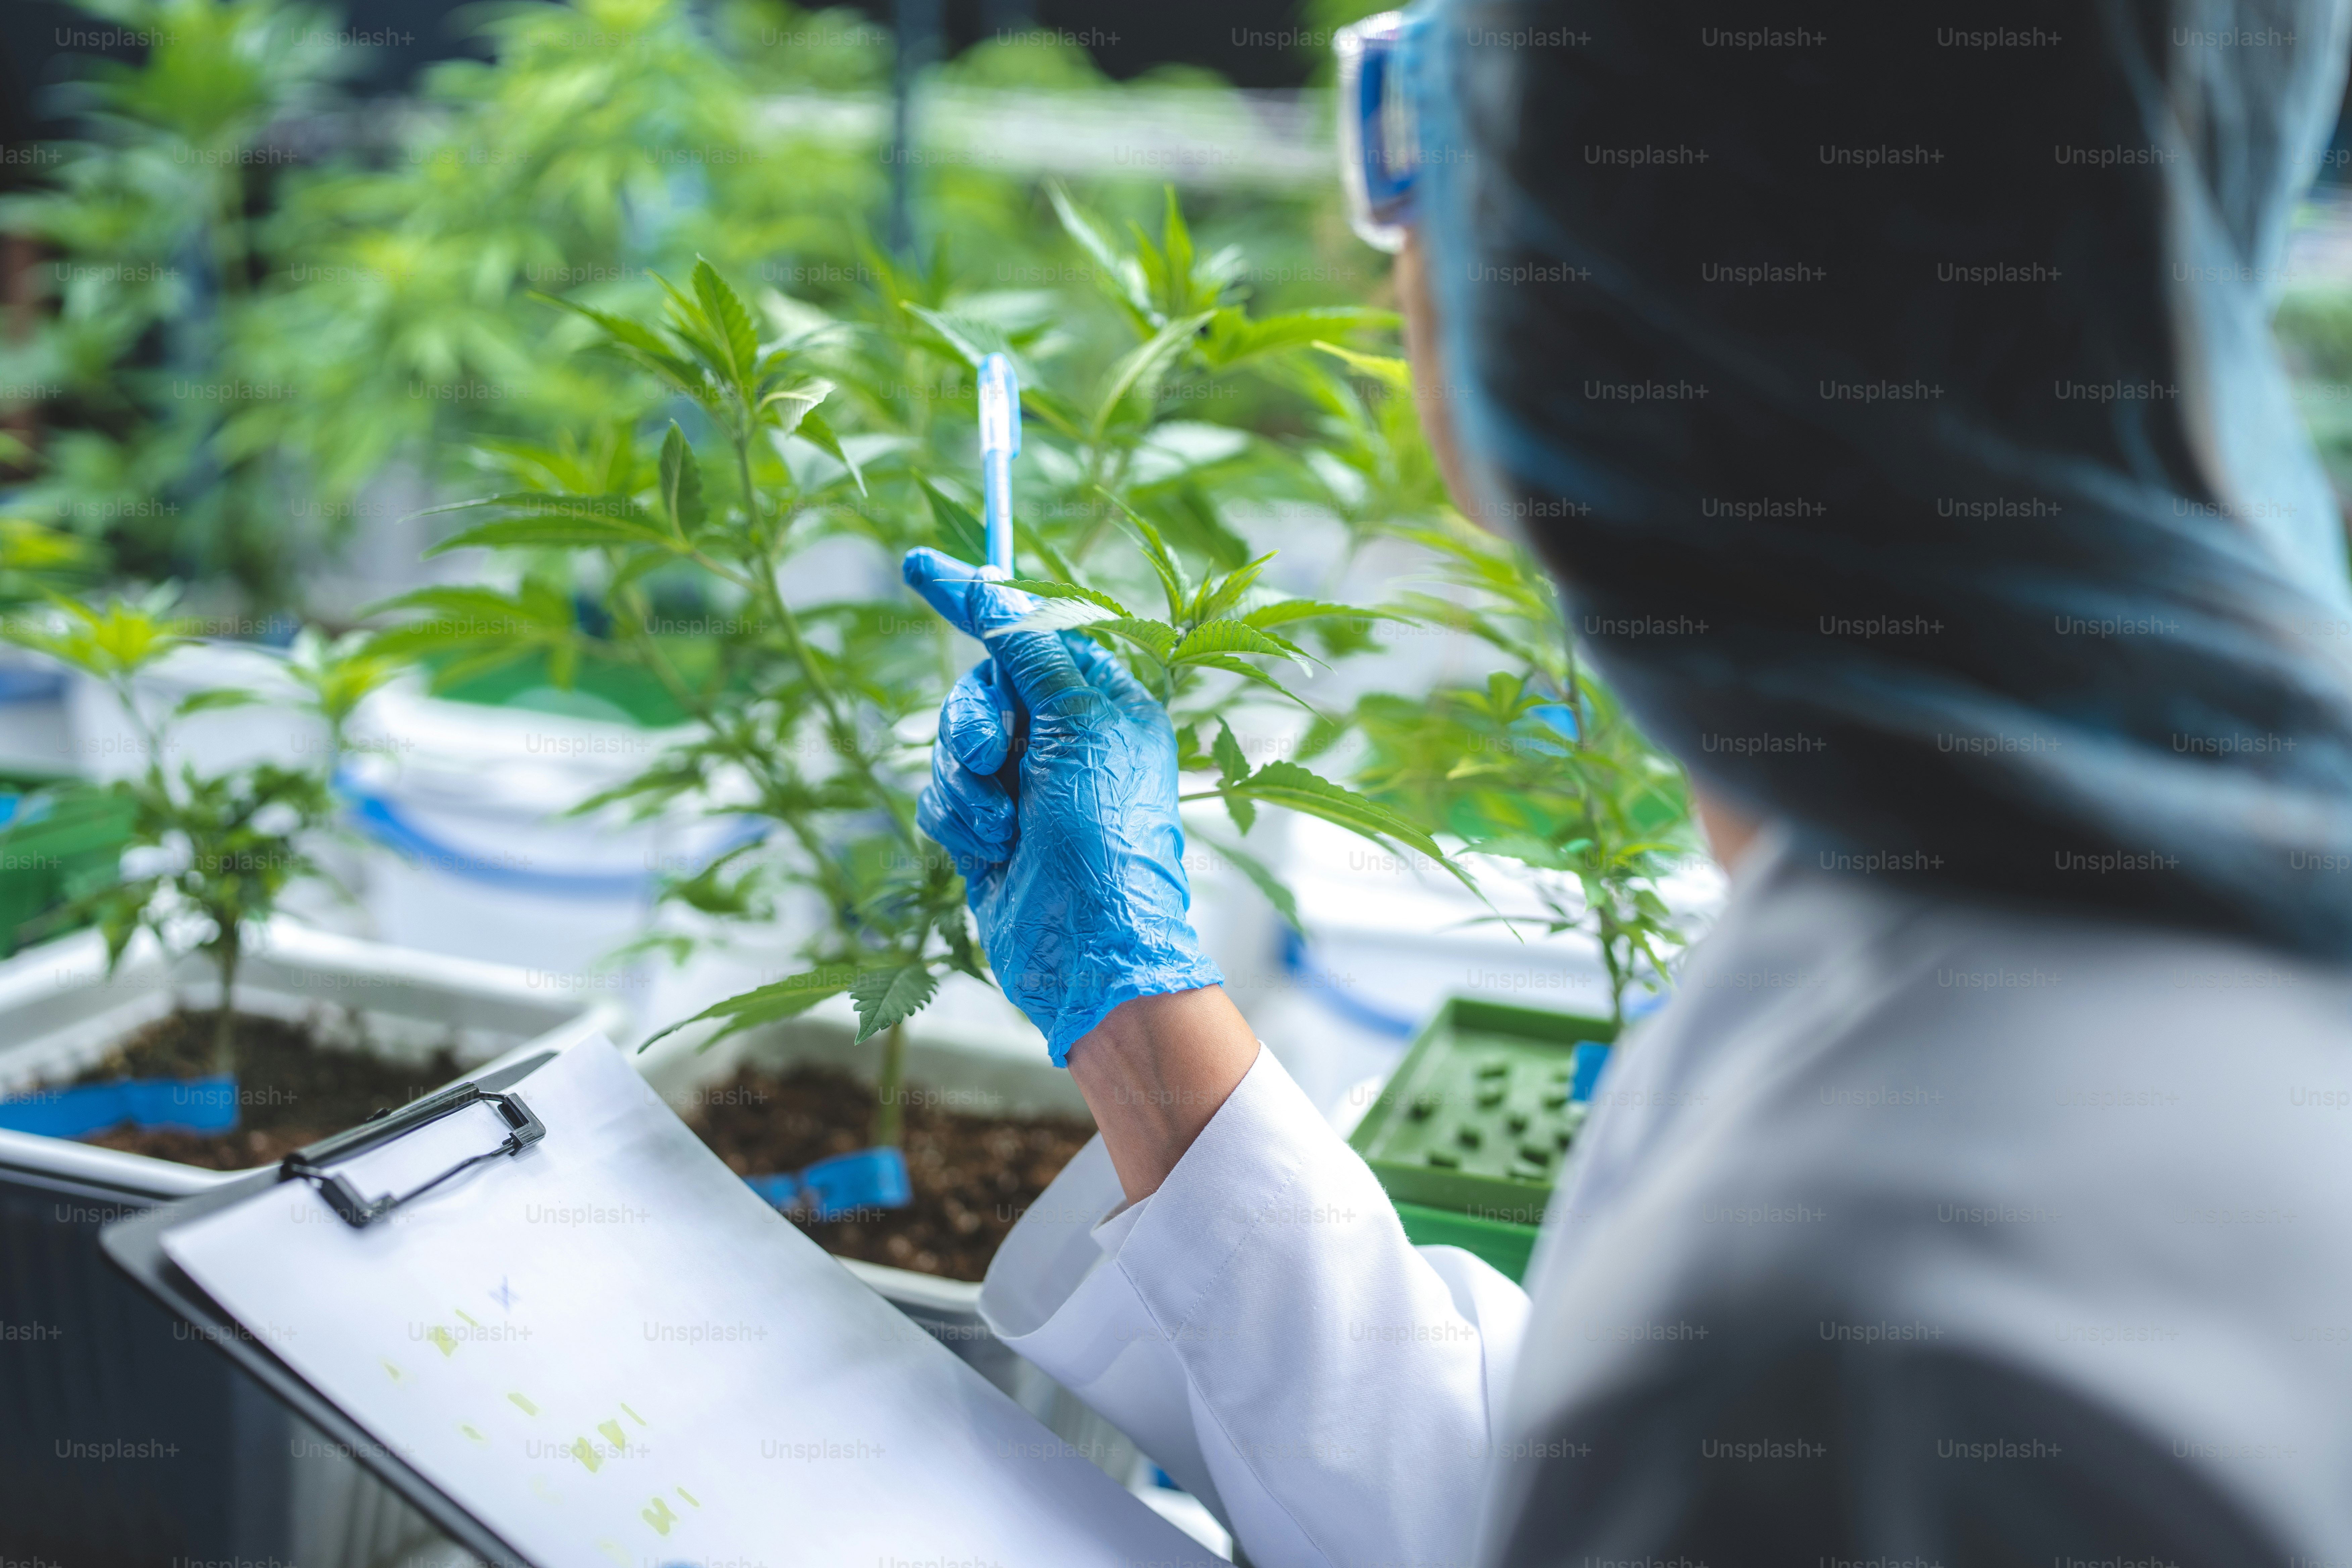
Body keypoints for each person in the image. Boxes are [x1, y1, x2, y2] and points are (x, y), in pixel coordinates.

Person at [904, 3, 2352, 1563]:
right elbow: (1523, 1500)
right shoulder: (2024, 906)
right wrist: (1137, 1017)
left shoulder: (1895, 1305)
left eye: (1432, 107)